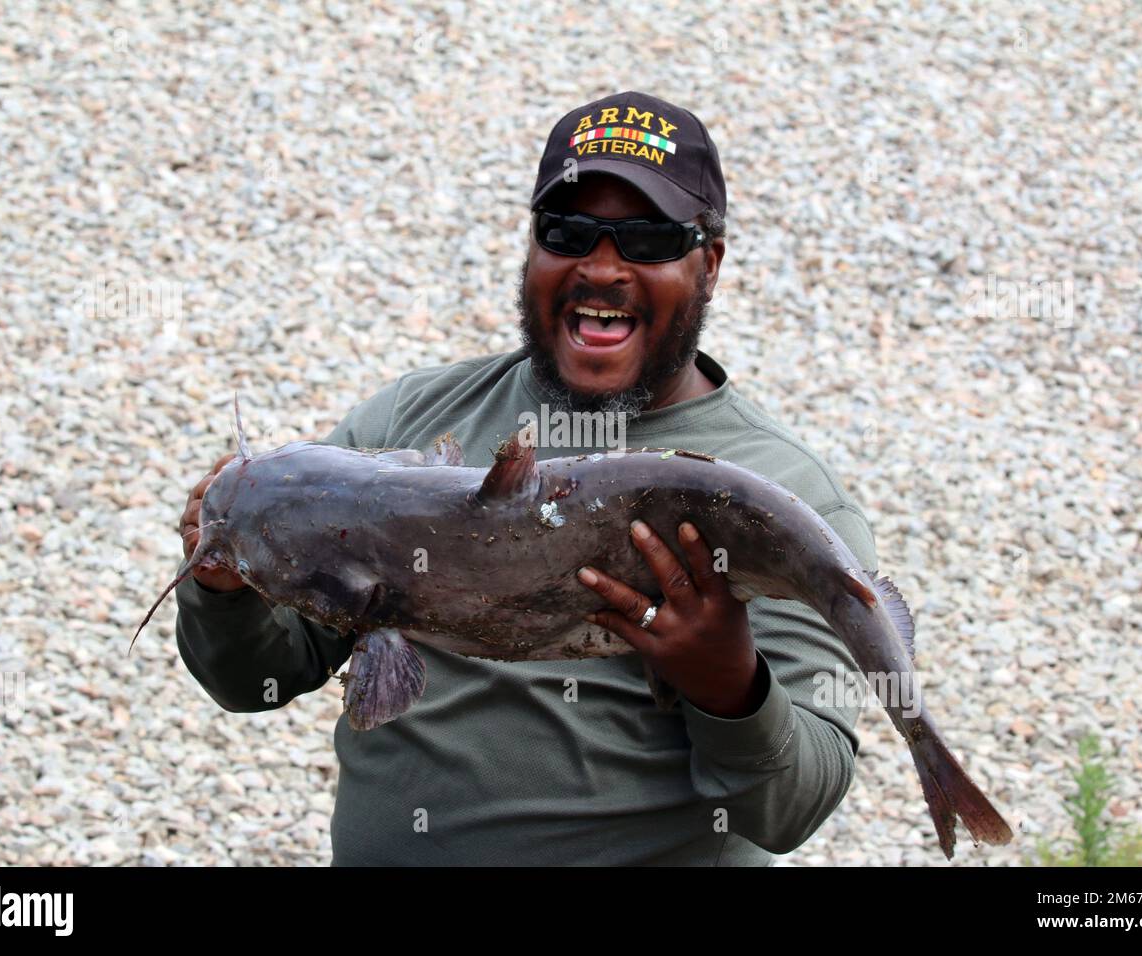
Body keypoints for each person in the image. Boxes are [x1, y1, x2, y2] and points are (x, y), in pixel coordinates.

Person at [174, 91, 878, 865]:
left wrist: (728, 686)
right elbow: (257, 679)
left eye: (647, 240)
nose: (601, 267)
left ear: (708, 264)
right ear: (533, 247)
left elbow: (797, 806)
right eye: (567, 231)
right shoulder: (412, 418)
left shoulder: (776, 496)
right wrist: (222, 585)